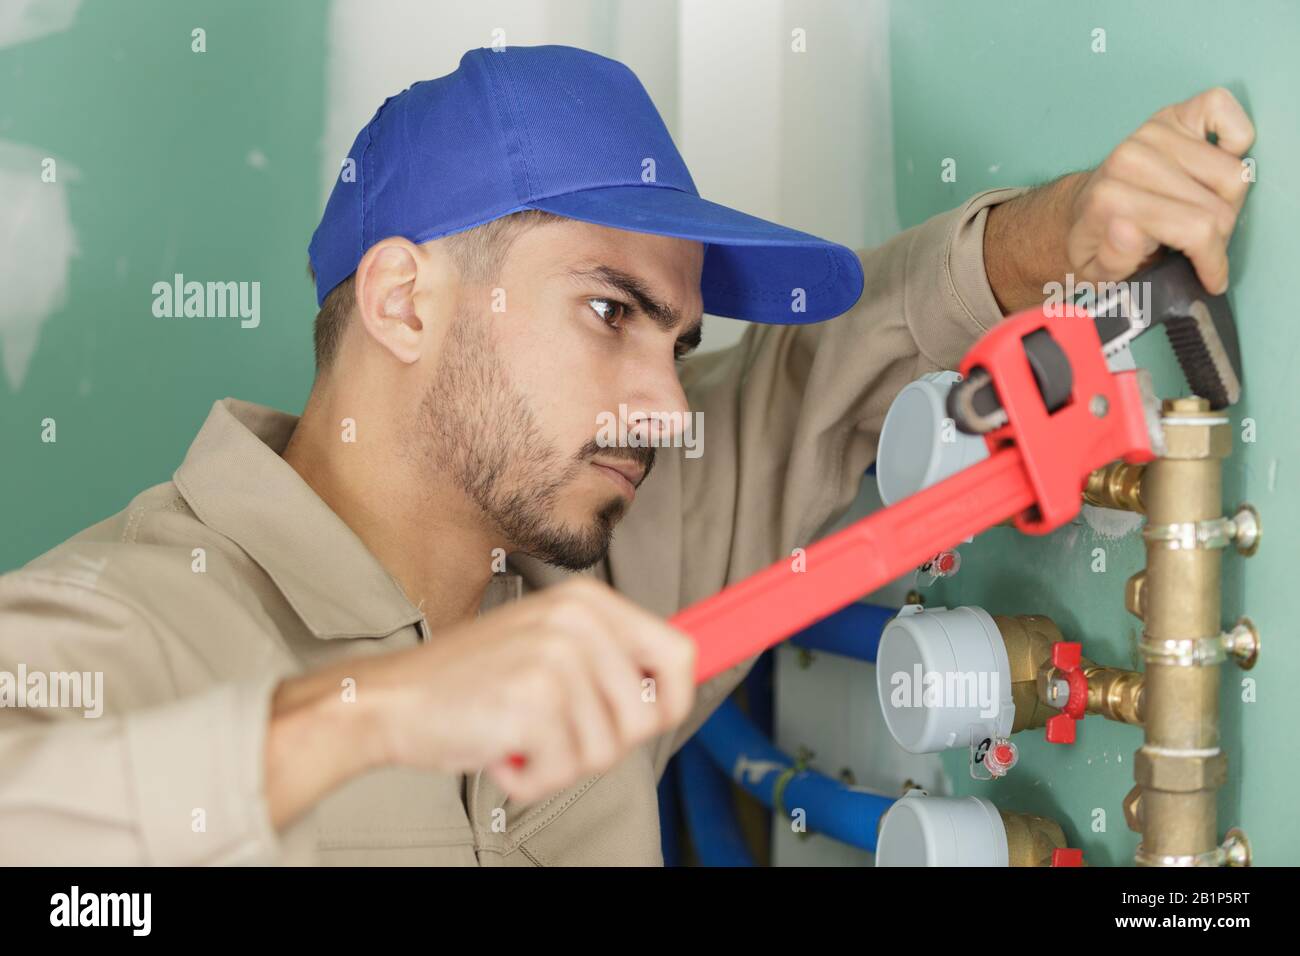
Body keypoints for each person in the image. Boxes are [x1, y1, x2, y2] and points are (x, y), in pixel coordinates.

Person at [0, 45, 1252, 865]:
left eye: (680, 340)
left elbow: (821, 370)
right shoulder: (127, 625)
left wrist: (1071, 232)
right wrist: (365, 715)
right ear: (402, 301)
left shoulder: (603, 565)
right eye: (609, 312)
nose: (664, 406)